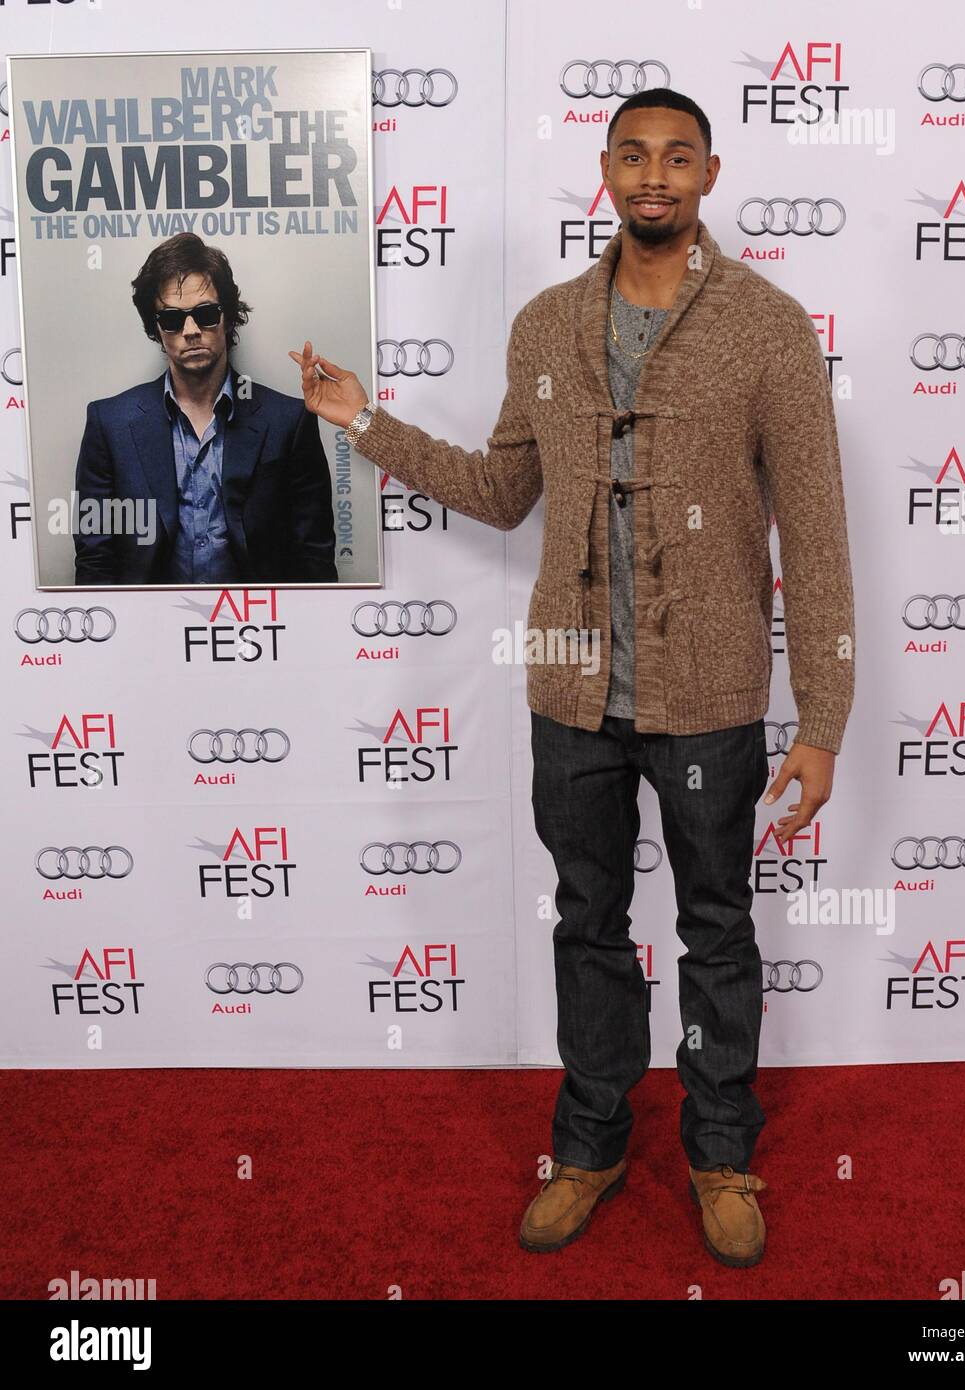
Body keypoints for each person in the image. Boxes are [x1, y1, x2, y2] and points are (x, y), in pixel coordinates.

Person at [289, 88, 855, 1268]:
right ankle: (590, 1141)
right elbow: (504, 493)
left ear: (709, 173)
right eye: (633, 155)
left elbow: (814, 531)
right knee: (587, 926)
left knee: (717, 933)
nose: (654, 176)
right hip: (569, 693)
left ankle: (717, 1149)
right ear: (603, 170)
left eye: (677, 157)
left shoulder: (769, 328)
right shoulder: (547, 326)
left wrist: (825, 720)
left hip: (712, 696)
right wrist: (367, 423)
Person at [73, 232, 336, 585]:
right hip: (145, 628)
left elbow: (313, 557)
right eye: (172, 319)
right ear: (156, 328)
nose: (192, 330)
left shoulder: (288, 420)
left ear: (228, 317)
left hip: (262, 627)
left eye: (207, 313)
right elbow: (95, 560)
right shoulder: (110, 424)